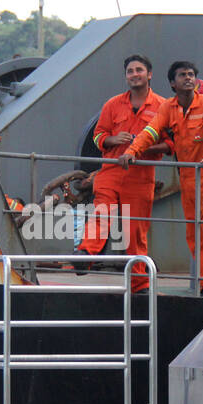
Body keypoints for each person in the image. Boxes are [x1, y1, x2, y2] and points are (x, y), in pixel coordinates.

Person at [119, 61, 203, 296]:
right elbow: (150, 131)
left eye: (191, 75)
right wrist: (131, 152)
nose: (188, 78)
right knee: (194, 232)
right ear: (172, 83)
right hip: (188, 176)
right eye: (182, 75)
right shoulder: (169, 108)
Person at [75, 55, 169, 290]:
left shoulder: (163, 106)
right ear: (126, 76)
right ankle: (87, 254)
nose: (134, 74)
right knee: (101, 212)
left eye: (139, 70)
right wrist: (112, 139)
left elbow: (170, 144)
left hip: (141, 174)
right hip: (111, 169)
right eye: (130, 71)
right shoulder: (112, 105)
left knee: (136, 230)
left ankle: (140, 284)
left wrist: (143, 145)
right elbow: (97, 136)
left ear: (149, 74)